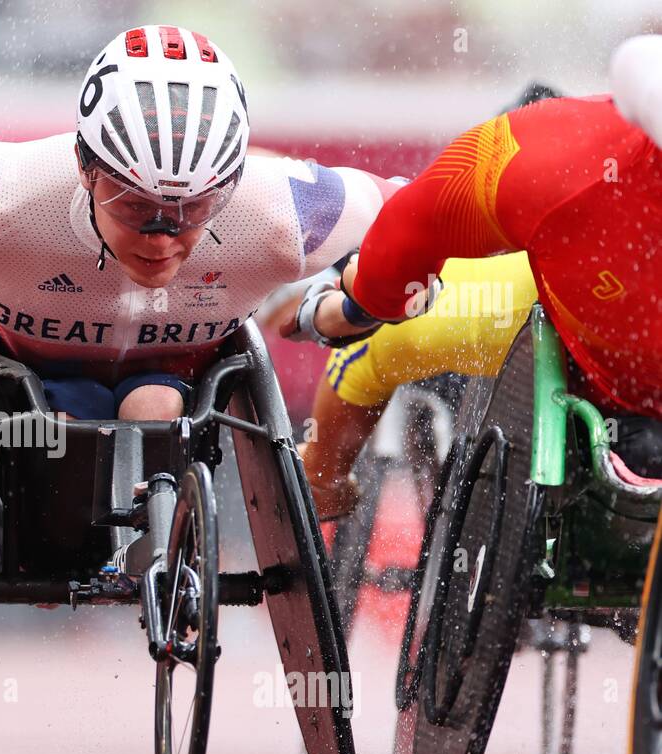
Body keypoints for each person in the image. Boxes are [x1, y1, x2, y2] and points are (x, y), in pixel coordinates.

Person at [0, 23, 398, 423]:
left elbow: (417, 209)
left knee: (155, 405)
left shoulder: (278, 210)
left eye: (193, 209)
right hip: (33, 380)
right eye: (137, 206)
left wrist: (376, 294)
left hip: (179, 380)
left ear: (231, 185)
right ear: (86, 167)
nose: (164, 237)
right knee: (68, 417)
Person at [284, 39, 662, 516]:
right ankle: (324, 482)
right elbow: (414, 225)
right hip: (580, 340)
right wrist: (364, 305)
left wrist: (364, 303)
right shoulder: (557, 163)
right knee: (387, 341)